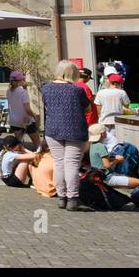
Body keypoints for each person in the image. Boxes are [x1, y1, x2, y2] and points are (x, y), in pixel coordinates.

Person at [41, 60, 93, 212]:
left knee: (59, 163)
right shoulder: (77, 90)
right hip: (75, 130)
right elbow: (89, 109)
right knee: (71, 164)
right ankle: (72, 198)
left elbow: (46, 107)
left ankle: (62, 197)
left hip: (53, 129)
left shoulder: (46, 88)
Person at [87, 123, 139, 188]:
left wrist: (113, 158)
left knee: (127, 178)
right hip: (106, 177)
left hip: (97, 175)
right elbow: (107, 165)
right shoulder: (101, 146)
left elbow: (100, 160)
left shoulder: (92, 145)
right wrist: (117, 160)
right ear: (102, 134)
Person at [6, 70, 41, 146]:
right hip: (26, 120)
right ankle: (38, 156)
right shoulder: (23, 92)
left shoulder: (8, 91)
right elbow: (27, 109)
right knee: (38, 144)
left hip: (14, 121)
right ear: (20, 80)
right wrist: (34, 116)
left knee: (19, 145)